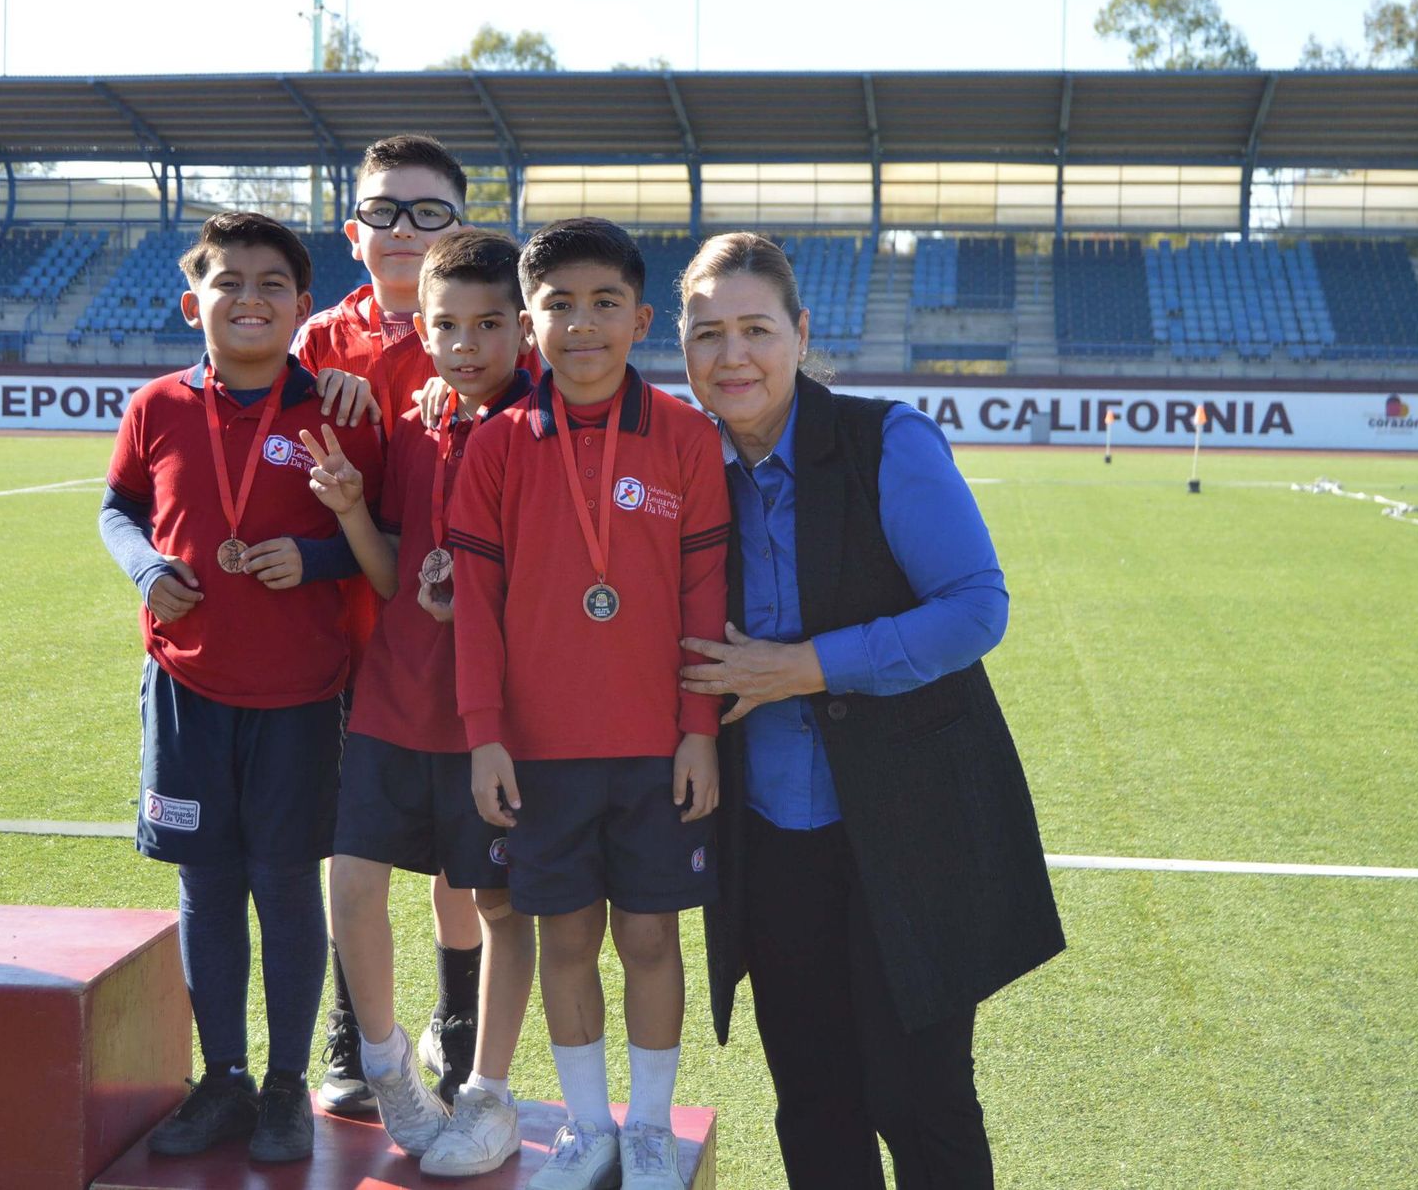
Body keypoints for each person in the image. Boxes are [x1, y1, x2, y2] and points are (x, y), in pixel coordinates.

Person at [675, 232, 1064, 1190]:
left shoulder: (887, 439)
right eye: (708, 332)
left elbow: (977, 608)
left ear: (801, 334)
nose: (734, 356)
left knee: (918, 1096)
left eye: (757, 329)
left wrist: (807, 666)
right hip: (769, 840)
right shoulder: (683, 471)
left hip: (911, 824)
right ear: (679, 348)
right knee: (812, 1096)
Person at [449, 217, 730, 1190]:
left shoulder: (689, 439)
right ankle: (588, 1125)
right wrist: (485, 736)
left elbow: (705, 600)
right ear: (529, 323)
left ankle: (648, 1126)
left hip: (657, 749)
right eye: (558, 304)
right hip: (538, 753)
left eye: (604, 303)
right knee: (566, 935)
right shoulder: (494, 449)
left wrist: (700, 731)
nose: (582, 324)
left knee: (651, 935)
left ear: (642, 317)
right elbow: (475, 612)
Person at [98, 211, 383, 1164]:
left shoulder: (336, 412)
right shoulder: (157, 408)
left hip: (300, 696)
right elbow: (118, 509)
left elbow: (378, 536)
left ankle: (287, 1084)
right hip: (185, 687)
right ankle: (221, 1077)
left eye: (272, 285)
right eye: (230, 282)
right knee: (207, 882)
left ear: (303, 308)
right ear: (194, 303)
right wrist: (143, 568)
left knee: (284, 885)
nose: (250, 298)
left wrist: (312, 557)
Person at [298, 228, 540, 1175]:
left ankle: (486, 1090)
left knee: (499, 901)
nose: (467, 344)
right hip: (396, 697)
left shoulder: (547, 428)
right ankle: (389, 1065)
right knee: (353, 883)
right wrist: (355, 510)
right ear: (423, 331)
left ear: (522, 328)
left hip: (499, 720)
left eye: (488, 324)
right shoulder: (414, 420)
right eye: (447, 326)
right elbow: (398, 576)